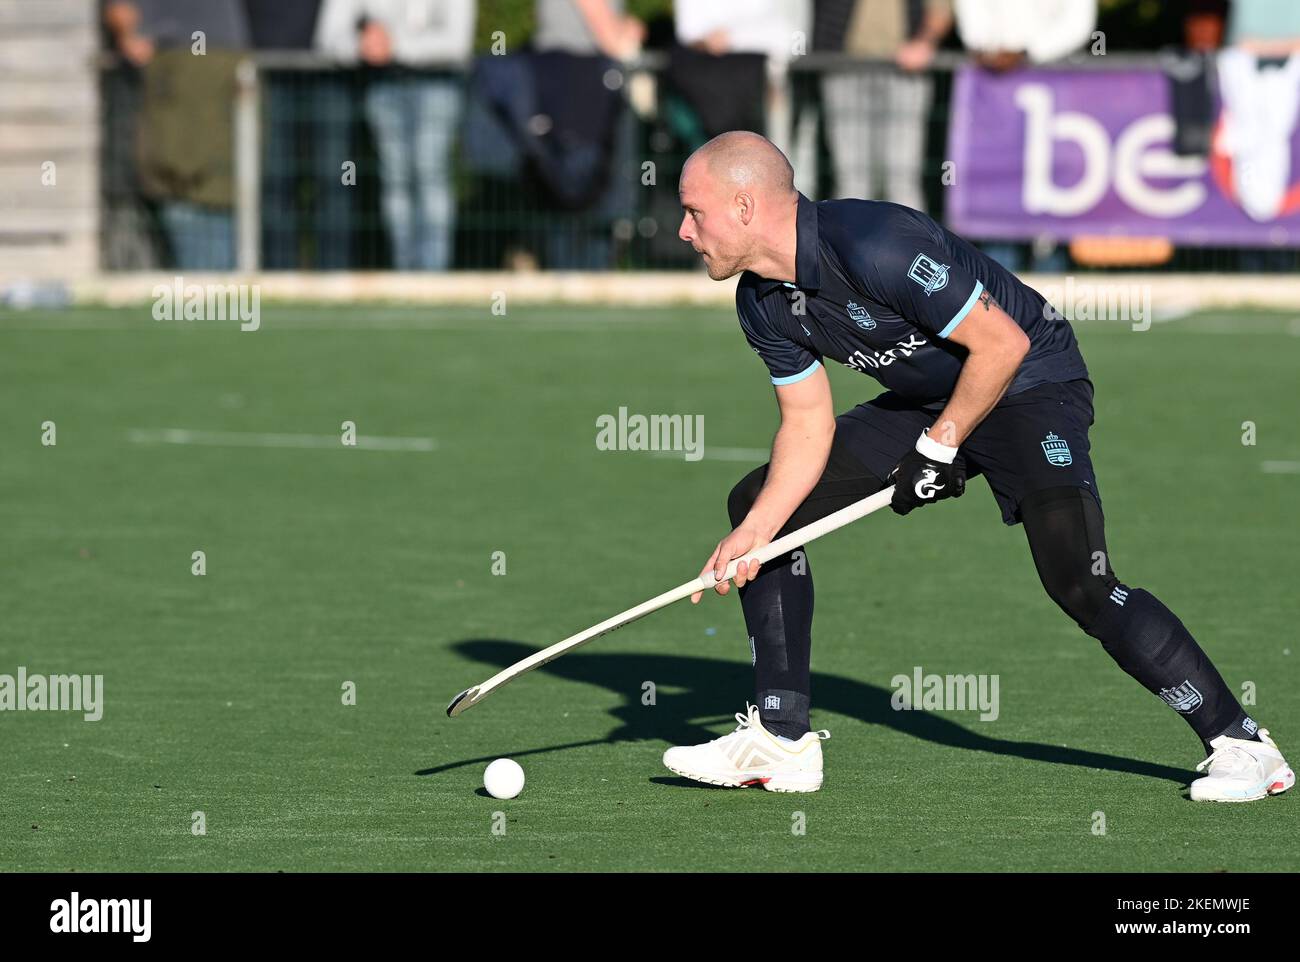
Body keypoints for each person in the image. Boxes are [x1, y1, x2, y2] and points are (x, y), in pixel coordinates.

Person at [665, 131, 1294, 801]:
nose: (682, 230)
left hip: (1029, 382)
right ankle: (781, 741)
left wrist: (939, 448)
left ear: (742, 206)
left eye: (693, 211)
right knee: (764, 503)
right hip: (932, 398)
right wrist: (760, 529)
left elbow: (1002, 343)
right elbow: (807, 421)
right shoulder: (760, 301)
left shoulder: (875, 241)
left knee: (1078, 576)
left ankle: (1242, 744)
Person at [316, 0, 476, 271]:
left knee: (430, 173)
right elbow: (329, 36)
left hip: (438, 83)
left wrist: (396, 45)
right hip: (384, 84)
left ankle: (432, 276)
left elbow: (458, 42)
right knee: (395, 179)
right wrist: (361, 45)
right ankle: (404, 273)